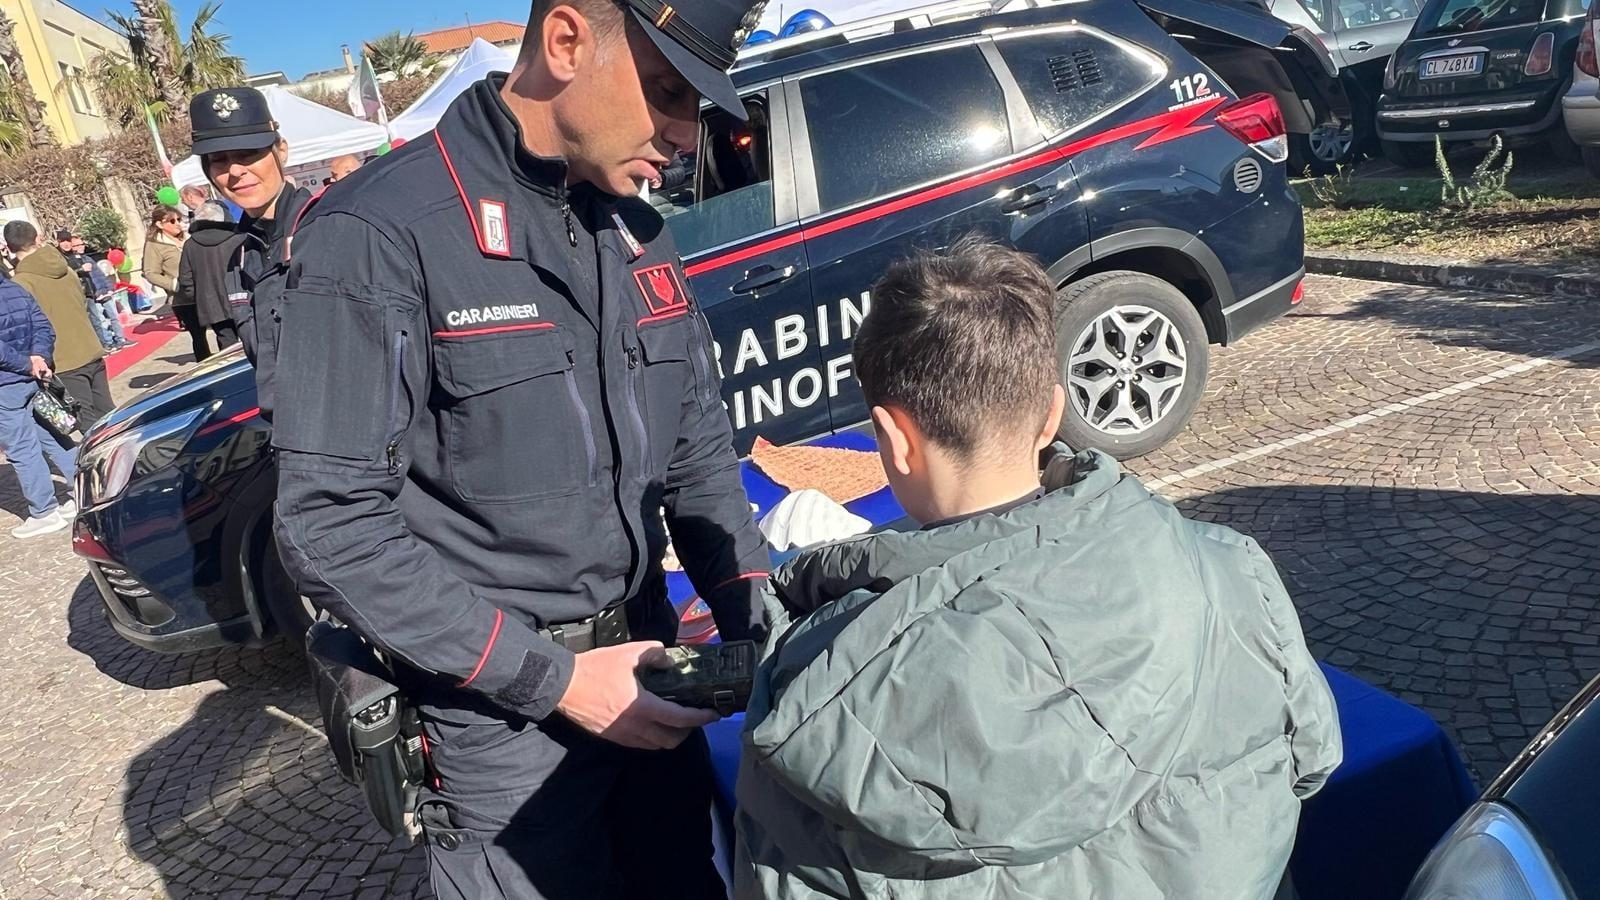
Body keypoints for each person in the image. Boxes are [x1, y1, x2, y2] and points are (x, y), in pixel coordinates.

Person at [269, 1, 774, 896]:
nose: (685, 135)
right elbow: (328, 526)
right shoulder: (380, 234)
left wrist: (761, 632)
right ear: (568, 39)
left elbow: (699, 464)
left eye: (696, 104)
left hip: (656, 676)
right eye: (665, 92)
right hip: (500, 730)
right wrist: (557, 682)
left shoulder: (638, 230)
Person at [734, 240, 1343, 900]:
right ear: (1054, 412)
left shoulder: (816, 706)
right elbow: (1310, 764)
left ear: (895, 439)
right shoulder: (1235, 573)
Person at [186, 85, 312, 409]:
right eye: (219, 160)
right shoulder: (238, 258)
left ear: (280, 150)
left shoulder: (326, 230)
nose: (235, 171)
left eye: (248, 153)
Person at [5, 221, 114, 431]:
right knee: (108, 412)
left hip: (63, 358)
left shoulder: (21, 283)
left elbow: (26, 327)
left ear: (9, 248)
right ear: (38, 239)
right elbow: (82, 301)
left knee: (87, 421)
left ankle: (108, 461)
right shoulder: (66, 268)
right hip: (89, 345)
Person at [0, 271, 77, 538]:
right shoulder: (15, 289)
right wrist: (39, 358)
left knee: (22, 448)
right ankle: (83, 487)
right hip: (32, 376)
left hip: (6, 383)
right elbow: (43, 327)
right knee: (53, 435)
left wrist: (28, 363)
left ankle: (44, 511)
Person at [176, 200, 243, 360]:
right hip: (240, 297)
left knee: (227, 345)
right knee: (253, 338)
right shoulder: (236, 238)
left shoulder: (190, 245)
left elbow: (186, 279)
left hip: (211, 303)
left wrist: (197, 300)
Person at [56, 229, 132, 352]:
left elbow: (99, 275)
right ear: (58, 242)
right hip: (81, 293)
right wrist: (81, 269)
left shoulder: (81, 257)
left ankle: (118, 339)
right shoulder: (61, 258)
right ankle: (105, 343)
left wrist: (107, 288)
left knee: (108, 317)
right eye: (63, 241)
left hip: (92, 291)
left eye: (68, 241)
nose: (66, 244)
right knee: (98, 320)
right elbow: (66, 273)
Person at [142, 205, 184, 316]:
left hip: (205, 292)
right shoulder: (155, 244)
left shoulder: (188, 237)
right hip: (182, 299)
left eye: (179, 219)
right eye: (172, 221)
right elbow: (150, 273)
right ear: (160, 224)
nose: (177, 223)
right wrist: (173, 284)